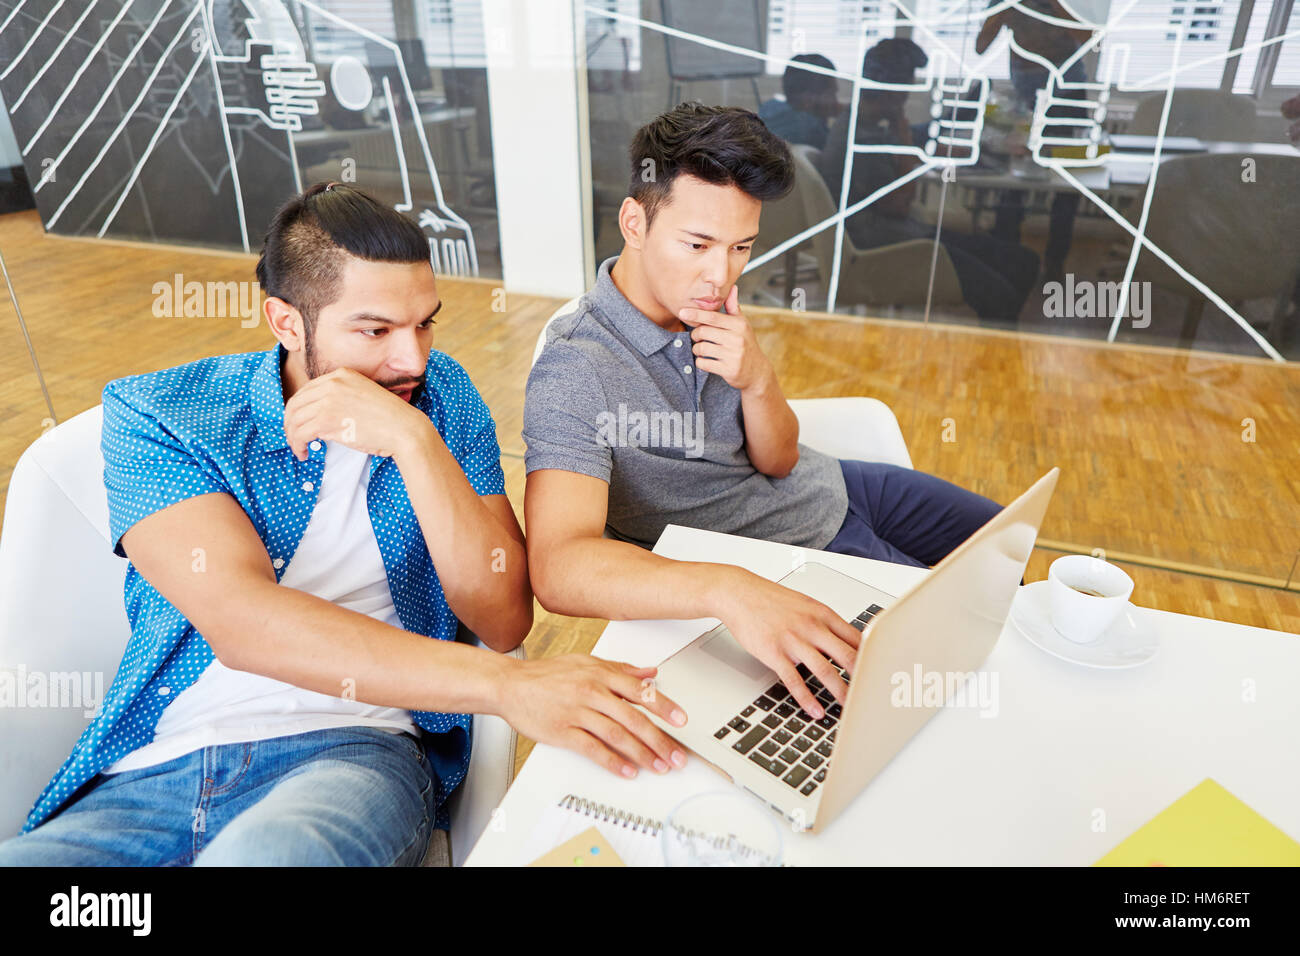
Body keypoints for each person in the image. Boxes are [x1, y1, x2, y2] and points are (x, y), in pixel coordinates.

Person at [0, 183, 689, 867]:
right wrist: (506, 688)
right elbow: (245, 624)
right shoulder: (161, 414)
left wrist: (415, 443)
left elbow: (504, 617)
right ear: (287, 322)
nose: (411, 359)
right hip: (158, 764)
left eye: (425, 323)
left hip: (355, 750)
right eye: (375, 330)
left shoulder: (443, 398)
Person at [523, 103, 1004, 723]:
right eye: (696, 244)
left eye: (740, 247)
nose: (719, 274)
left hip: (835, 483)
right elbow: (558, 565)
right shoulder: (576, 367)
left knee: (1004, 551)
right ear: (634, 223)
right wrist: (727, 586)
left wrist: (756, 377)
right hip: (791, 547)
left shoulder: (714, 308)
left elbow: (778, 459)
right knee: (961, 639)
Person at [817, 39, 1040, 322]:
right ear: (895, 90)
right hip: (887, 247)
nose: (909, 95)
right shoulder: (863, 138)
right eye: (908, 87)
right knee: (1005, 287)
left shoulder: (864, 122)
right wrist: (906, 140)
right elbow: (900, 204)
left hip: (901, 234)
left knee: (1022, 262)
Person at [978, 0, 1095, 282]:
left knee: (1067, 180)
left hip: (1067, 86)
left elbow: (1088, 37)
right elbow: (980, 45)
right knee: (1013, 178)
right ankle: (1008, 255)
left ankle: (1055, 264)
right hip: (1025, 88)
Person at [758, 52, 840, 150]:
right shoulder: (812, 130)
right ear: (809, 97)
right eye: (832, 93)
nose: (835, 100)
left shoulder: (768, 109)